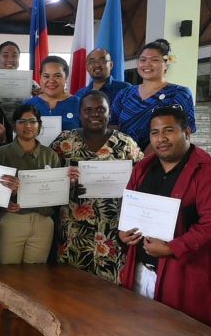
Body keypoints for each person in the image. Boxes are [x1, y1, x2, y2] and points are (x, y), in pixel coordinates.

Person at [118, 106, 211, 336]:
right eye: (155, 132)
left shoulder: (209, 170)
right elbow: (129, 207)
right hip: (142, 266)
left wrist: (172, 247)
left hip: (186, 273)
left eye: (168, 131)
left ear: (187, 132)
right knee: (139, 333)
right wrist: (123, 232)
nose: (161, 139)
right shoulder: (143, 167)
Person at [50, 91, 143, 283]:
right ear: (80, 113)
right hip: (74, 230)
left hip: (113, 231)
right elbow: (48, 179)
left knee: (110, 292)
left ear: (109, 114)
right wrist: (65, 181)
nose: (94, 114)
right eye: (88, 110)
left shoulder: (126, 144)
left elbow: (142, 181)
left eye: (101, 109)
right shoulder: (64, 143)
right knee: (70, 288)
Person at [0, 105, 62, 264]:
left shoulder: (50, 155)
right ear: (14, 125)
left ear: (39, 125)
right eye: (22, 121)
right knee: (6, 272)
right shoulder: (1, 154)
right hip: (12, 219)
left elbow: (57, 192)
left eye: (32, 121)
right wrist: (6, 202)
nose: (28, 126)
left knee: (35, 276)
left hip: (43, 222)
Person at [111, 39, 196, 152]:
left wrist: (145, 160)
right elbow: (113, 125)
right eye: (143, 59)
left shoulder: (179, 93)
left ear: (166, 64)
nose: (147, 64)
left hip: (162, 159)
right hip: (125, 158)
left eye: (154, 60)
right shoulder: (125, 93)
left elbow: (185, 131)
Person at [23, 55, 81, 134]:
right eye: (46, 76)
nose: (51, 80)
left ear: (66, 78)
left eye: (57, 76)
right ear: (40, 78)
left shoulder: (79, 104)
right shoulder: (28, 105)